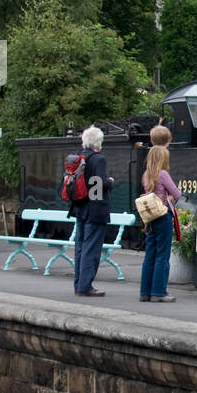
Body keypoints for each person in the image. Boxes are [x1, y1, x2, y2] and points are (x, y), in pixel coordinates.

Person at [71, 126, 113, 297]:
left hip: (80, 208)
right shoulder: (98, 159)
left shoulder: (80, 157)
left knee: (80, 247)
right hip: (95, 210)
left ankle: (79, 283)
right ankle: (86, 286)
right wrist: (109, 182)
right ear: (98, 142)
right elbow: (97, 185)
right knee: (91, 248)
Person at [140, 144, 184, 302]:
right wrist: (170, 198)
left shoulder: (146, 174)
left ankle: (145, 292)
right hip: (163, 216)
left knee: (150, 254)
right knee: (162, 255)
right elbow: (177, 193)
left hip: (150, 218)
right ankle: (159, 292)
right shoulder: (163, 174)